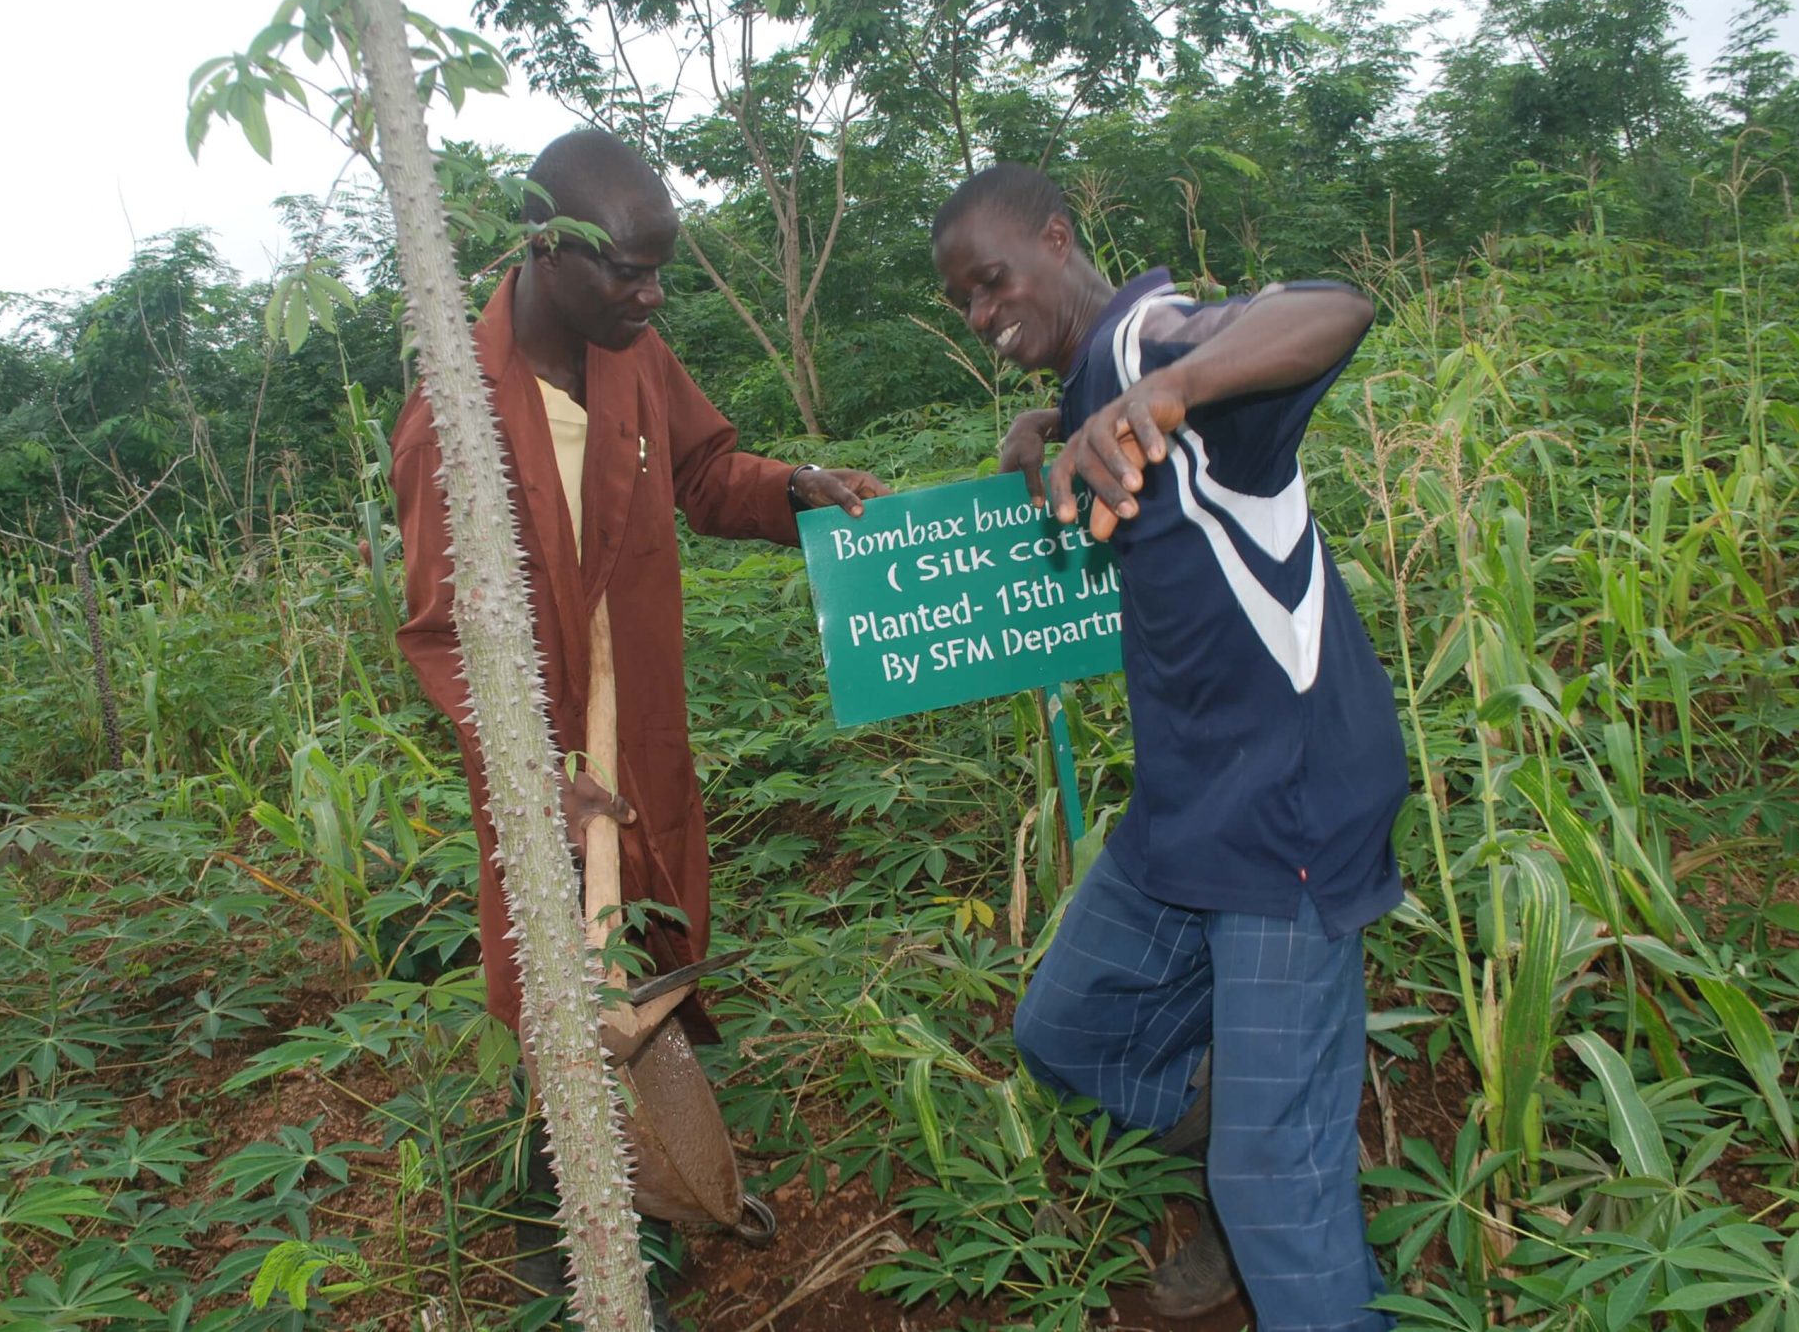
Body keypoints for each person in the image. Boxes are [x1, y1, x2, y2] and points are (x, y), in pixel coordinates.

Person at [390, 128, 888, 1327]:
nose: (651, 295)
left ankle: (653, 1190)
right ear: (543, 247)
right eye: (628, 271)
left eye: (658, 270)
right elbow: (441, 629)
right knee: (559, 981)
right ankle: (565, 1236)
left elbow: (705, 472)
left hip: (642, 718)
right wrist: (532, 774)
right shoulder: (455, 412)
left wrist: (795, 487)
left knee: (648, 939)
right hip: (543, 750)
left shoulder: (633, 358)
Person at [932, 163, 1408, 1331]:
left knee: (1269, 1185)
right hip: (1187, 801)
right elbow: (1121, 488)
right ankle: (1267, 1119)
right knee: (1064, 1031)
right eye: (964, 303)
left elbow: (1332, 307)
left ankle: (1278, 1177)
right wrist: (1049, 432)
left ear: (1055, 239)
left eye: (991, 281)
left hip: (1286, 808)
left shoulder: (1150, 340)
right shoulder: (1095, 381)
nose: (983, 314)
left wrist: (1169, 388)